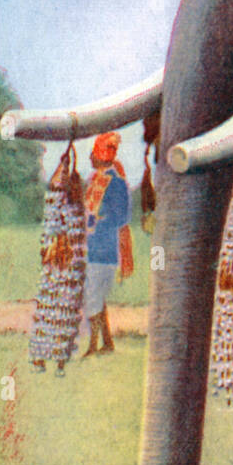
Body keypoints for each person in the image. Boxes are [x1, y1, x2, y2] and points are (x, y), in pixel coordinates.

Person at [82, 132, 132, 357]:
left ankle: (93, 345)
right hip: (91, 246)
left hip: (104, 248)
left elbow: (121, 217)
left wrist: (97, 221)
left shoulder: (116, 183)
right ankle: (108, 342)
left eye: (94, 153)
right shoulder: (96, 180)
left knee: (92, 295)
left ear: (101, 156)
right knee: (97, 296)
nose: (91, 158)